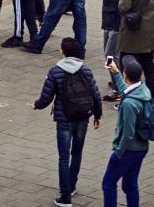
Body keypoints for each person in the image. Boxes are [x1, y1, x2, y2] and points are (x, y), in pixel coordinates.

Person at [35, 37, 104, 207]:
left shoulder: (55, 71)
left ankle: (65, 196)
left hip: (64, 118)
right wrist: (97, 115)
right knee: (77, 153)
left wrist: (36, 105)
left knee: (63, 157)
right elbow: (96, 95)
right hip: (82, 118)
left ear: (63, 52)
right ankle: (72, 185)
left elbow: (46, 97)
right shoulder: (86, 70)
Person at [101, 55, 154, 207]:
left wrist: (118, 153)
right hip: (141, 147)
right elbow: (127, 91)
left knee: (108, 184)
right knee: (130, 184)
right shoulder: (143, 90)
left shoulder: (129, 104)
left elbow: (128, 133)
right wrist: (116, 73)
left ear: (126, 74)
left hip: (128, 151)